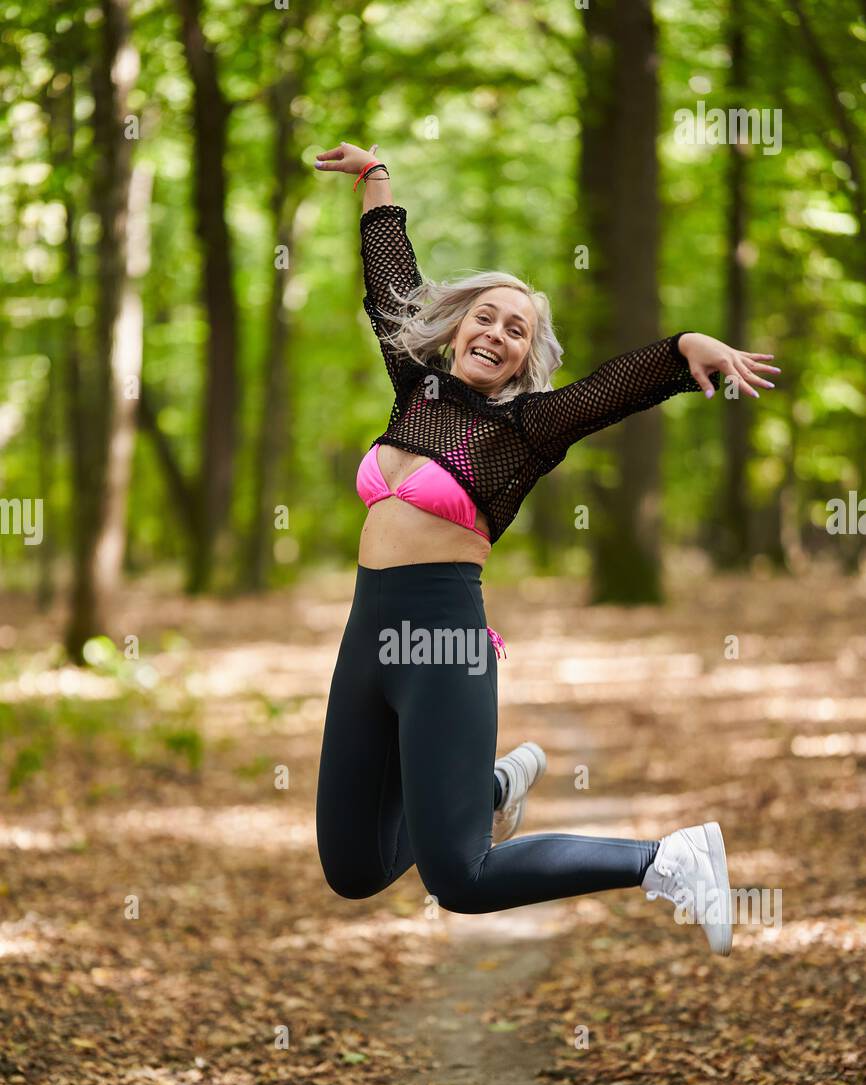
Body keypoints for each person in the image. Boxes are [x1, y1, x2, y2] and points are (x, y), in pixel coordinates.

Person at [313, 140, 781, 956]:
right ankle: (490, 787)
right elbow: (387, 284)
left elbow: (612, 391)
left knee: (459, 878)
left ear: (527, 357)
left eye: (518, 330)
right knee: (352, 868)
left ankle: (667, 858)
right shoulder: (415, 393)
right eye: (485, 317)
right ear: (456, 329)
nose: (497, 333)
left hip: (444, 645)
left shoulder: (522, 432)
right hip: (366, 640)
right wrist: (374, 177)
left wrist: (683, 351)